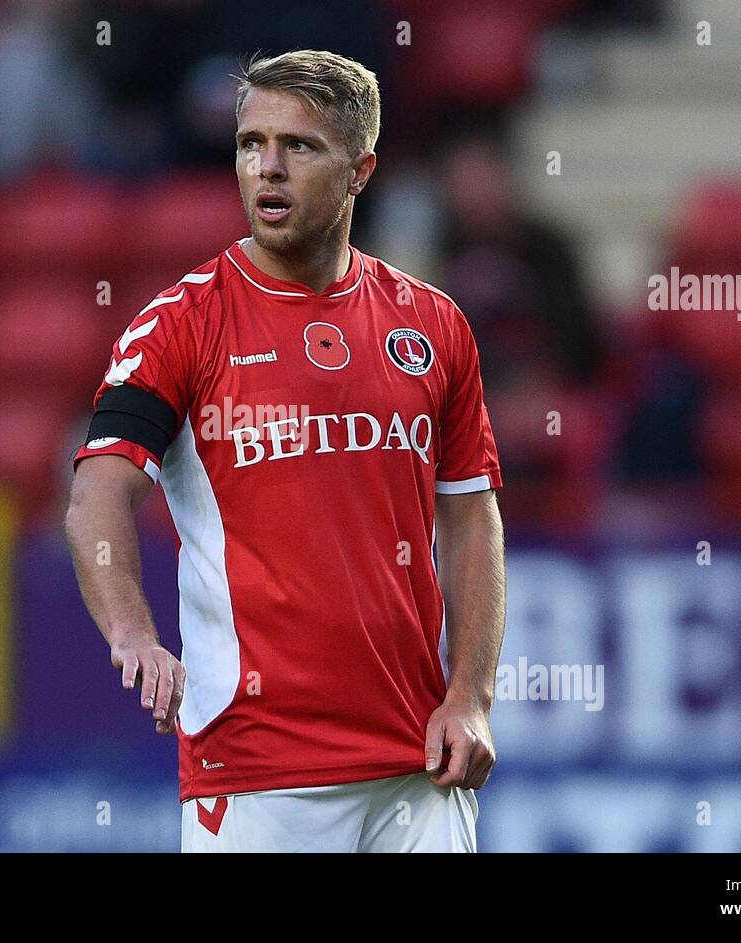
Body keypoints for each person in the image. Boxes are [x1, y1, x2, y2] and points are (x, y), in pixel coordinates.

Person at [65, 50, 505, 852]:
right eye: (249, 144)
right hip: (257, 769)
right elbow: (98, 491)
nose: (267, 168)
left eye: (299, 147)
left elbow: (472, 515)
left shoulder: (433, 325)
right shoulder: (180, 324)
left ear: (360, 171)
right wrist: (131, 632)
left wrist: (470, 696)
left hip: (416, 764)